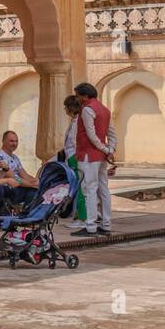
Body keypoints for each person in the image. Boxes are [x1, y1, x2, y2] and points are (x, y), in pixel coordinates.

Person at [74, 82, 117, 236]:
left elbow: (91, 136)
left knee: (89, 190)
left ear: (85, 96)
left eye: (78, 95)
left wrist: (106, 149)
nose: (77, 98)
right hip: (101, 156)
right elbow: (112, 133)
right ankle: (106, 225)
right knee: (103, 190)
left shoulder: (87, 109)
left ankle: (91, 226)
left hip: (88, 155)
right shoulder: (104, 109)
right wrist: (110, 150)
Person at [0, 131, 38, 207]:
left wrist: (36, 181)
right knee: (34, 191)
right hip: (4, 190)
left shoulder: (15, 158)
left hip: (16, 187)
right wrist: (31, 185)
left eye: (16, 141)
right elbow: (15, 178)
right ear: (3, 141)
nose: (14, 144)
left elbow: (24, 175)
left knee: (37, 190)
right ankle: (26, 214)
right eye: (11, 141)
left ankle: (27, 213)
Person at [62, 94, 88, 232]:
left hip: (75, 157)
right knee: (77, 188)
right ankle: (80, 217)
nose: (65, 109)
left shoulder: (78, 122)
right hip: (72, 156)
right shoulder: (75, 121)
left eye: (66, 107)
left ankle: (82, 218)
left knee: (80, 189)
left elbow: (75, 142)